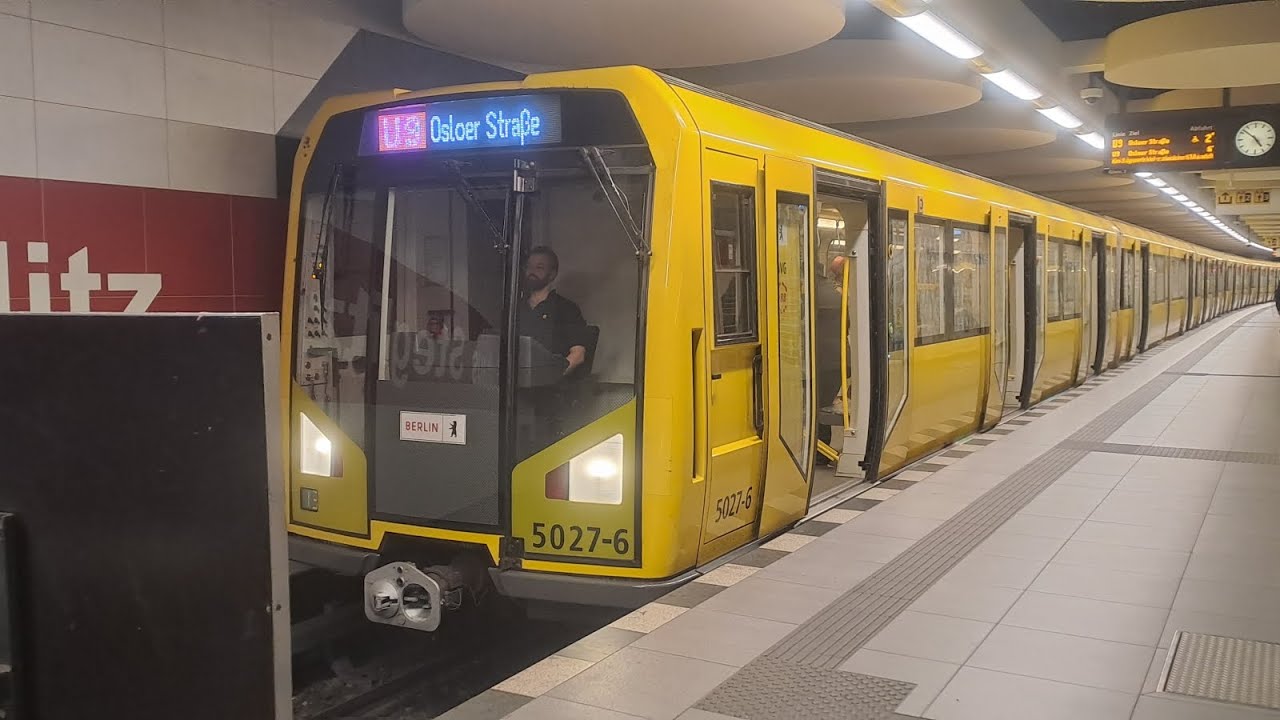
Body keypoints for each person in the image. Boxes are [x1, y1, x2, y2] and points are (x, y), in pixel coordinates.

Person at [519, 246, 589, 378]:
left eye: (539, 268)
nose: (531, 272)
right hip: (513, 386)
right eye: (529, 267)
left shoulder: (566, 309)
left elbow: (578, 355)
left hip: (550, 388)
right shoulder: (515, 309)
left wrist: (551, 377)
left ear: (552, 274)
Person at [814, 255, 846, 465]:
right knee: (821, 403)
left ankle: (820, 451)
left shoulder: (810, 292)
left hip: (822, 361)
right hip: (839, 358)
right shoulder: (833, 293)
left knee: (817, 406)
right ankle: (819, 452)